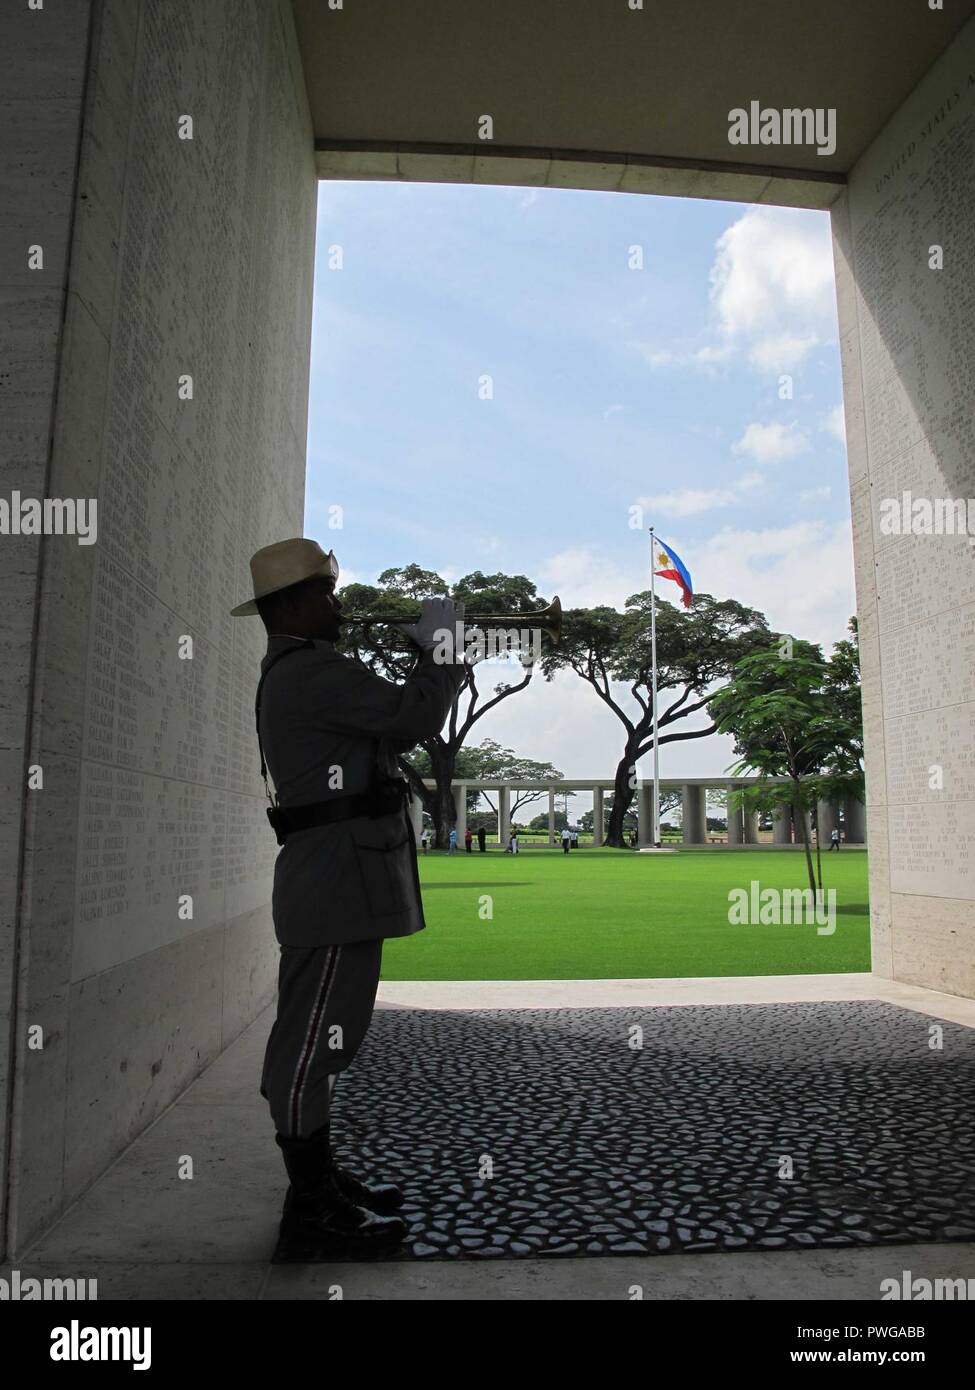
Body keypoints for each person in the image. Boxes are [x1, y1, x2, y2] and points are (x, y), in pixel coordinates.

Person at [232, 537, 466, 1261]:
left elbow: (380, 726)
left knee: (324, 1037)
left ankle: (322, 1185)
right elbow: (411, 718)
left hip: (335, 875)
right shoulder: (311, 671)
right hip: (333, 880)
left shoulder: (305, 670)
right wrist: (442, 650)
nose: (338, 605)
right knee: (309, 1048)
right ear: (295, 604)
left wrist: (423, 658)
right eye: (327, 594)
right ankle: (311, 1213)